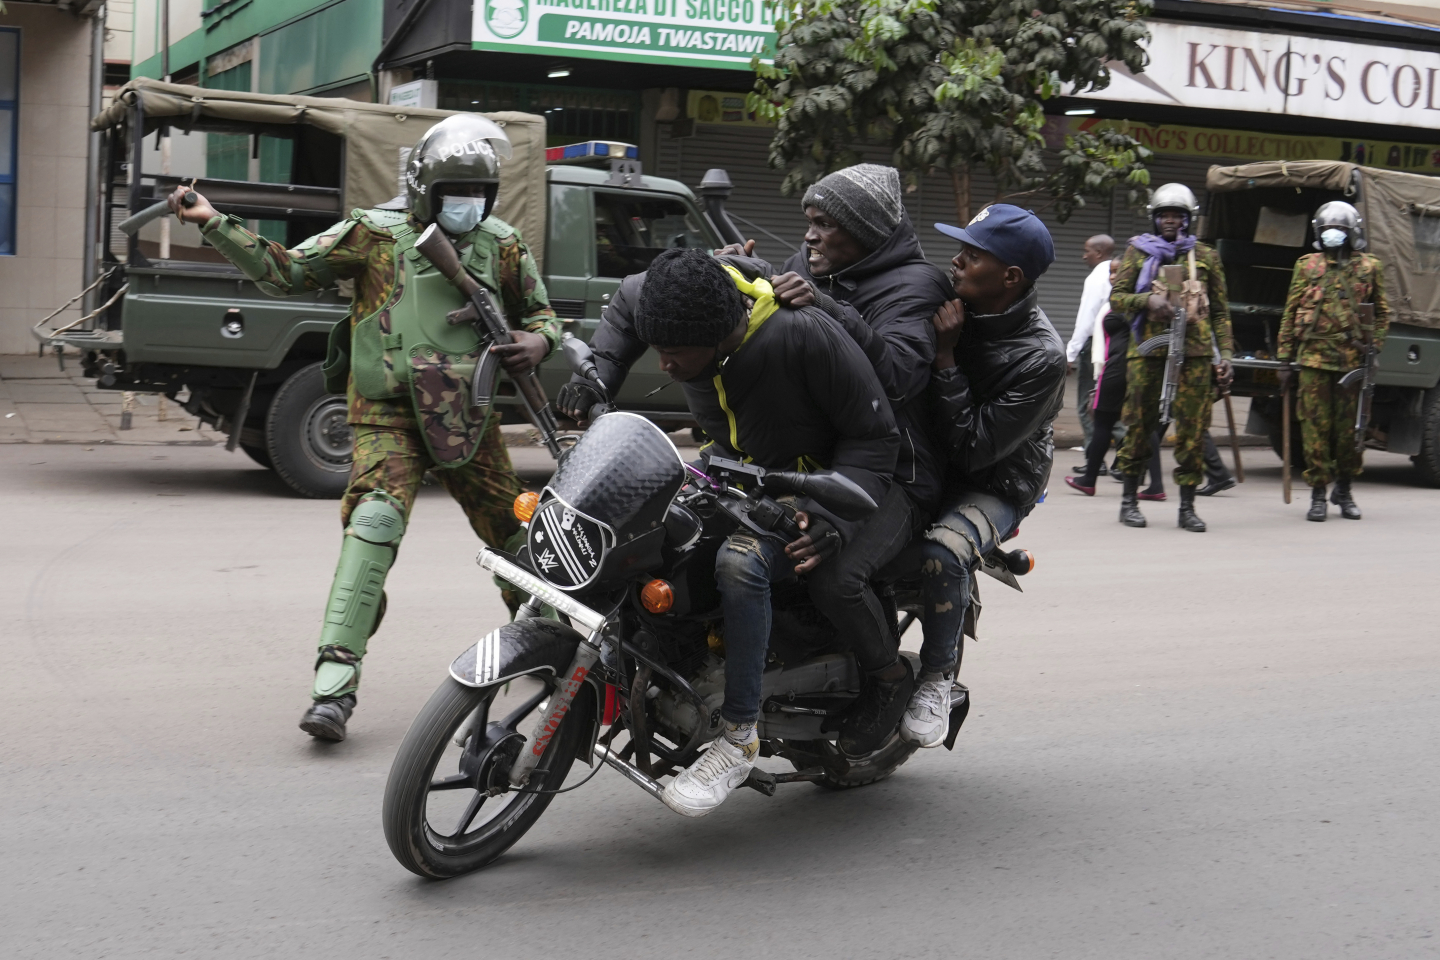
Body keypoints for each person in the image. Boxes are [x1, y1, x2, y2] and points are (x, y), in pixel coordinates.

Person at [168, 115, 559, 742]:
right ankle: (333, 686)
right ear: (423, 187)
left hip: (468, 415)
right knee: (372, 525)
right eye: (455, 194)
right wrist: (214, 222)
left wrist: (534, 343)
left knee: (515, 536)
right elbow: (288, 271)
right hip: (388, 415)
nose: (468, 207)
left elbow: (541, 314)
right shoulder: (374, 235)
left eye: (479, 196)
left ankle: (556, 648)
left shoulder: (502, 243)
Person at [566, 248, 904, 816]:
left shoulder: (802, 336)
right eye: (659, 350)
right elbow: (627, 303)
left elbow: (875, 440)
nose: (664, 366)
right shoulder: (683, 289)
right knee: (637, 531)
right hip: (728, 465)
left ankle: (739, 735)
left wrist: (832, 518)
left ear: (724, 334)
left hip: (810, 487)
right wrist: (598, 372)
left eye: (675, 355)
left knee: (739, 564)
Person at [898, 205, 1066, 747]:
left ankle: (936, 678)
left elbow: (976, 450)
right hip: (930, 458)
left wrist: (946, 358)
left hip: (996, 481)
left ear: (1010, 277)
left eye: (972, 256)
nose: (957, 261)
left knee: (943, 551)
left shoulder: (1040, 356)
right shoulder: (954, 302)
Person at [767, 163, 951, 515]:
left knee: (833, 571)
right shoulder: (805, 264)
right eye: (809, 222)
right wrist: (739, 281)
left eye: (824, 224)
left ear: (865, 232)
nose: (809, 237)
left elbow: (896, 378)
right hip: (811, 458)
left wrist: (829, 308)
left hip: (894, 473)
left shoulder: (917, 286)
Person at [1109, 183, 1235, 532]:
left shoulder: (1206, 256)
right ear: (1155, 218)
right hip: (1147, 354)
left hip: (1194, 357)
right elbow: (1117, 298)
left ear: (1188, 220)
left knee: (1193, 431)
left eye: (1177, 216)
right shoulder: (1138, 251)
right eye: (1164, 215)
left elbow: (1221, 313)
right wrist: (1146, 301)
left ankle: (1187, 508)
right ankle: (1129, 501)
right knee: (1138, 427)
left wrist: (1225, 354)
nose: (1170, 221)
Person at [1276, 201, 1390, 521]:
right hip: (1313, 361)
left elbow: (1382, 312)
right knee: (1314, 432)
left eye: (1339, 230)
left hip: (1352, 364)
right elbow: (1290, 313)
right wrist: (1284, 361)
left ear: (1352, 233)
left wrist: (1374, 346)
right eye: (1328, 231)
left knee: (1350, 433)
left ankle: (1345, 489)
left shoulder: (1369, 267)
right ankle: (1317, 495)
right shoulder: (1307, 266)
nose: (1333, 236)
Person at [1064, 257, 1166, 500]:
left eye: (1118, 273)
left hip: (1118, 368)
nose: (1112, 277)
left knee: (1103, 422)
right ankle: (1157, 485)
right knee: (1144, 425)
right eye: (1111, 273)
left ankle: (1089, 479)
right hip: (1134, 368)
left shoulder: (1131, 302)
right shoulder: (1138, 300)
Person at [1065, 234, 1117, 453]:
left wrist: (1070, 353)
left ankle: (1092, 456)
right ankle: (1117, 458)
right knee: (1110, 402)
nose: (1083, 255)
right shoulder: (1119, 274)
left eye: (1087, 251)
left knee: (1087, 402)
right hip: (1115, 344)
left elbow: (1087, 319)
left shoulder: (1097, 277)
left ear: (1099, 252)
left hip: (1094, 345)